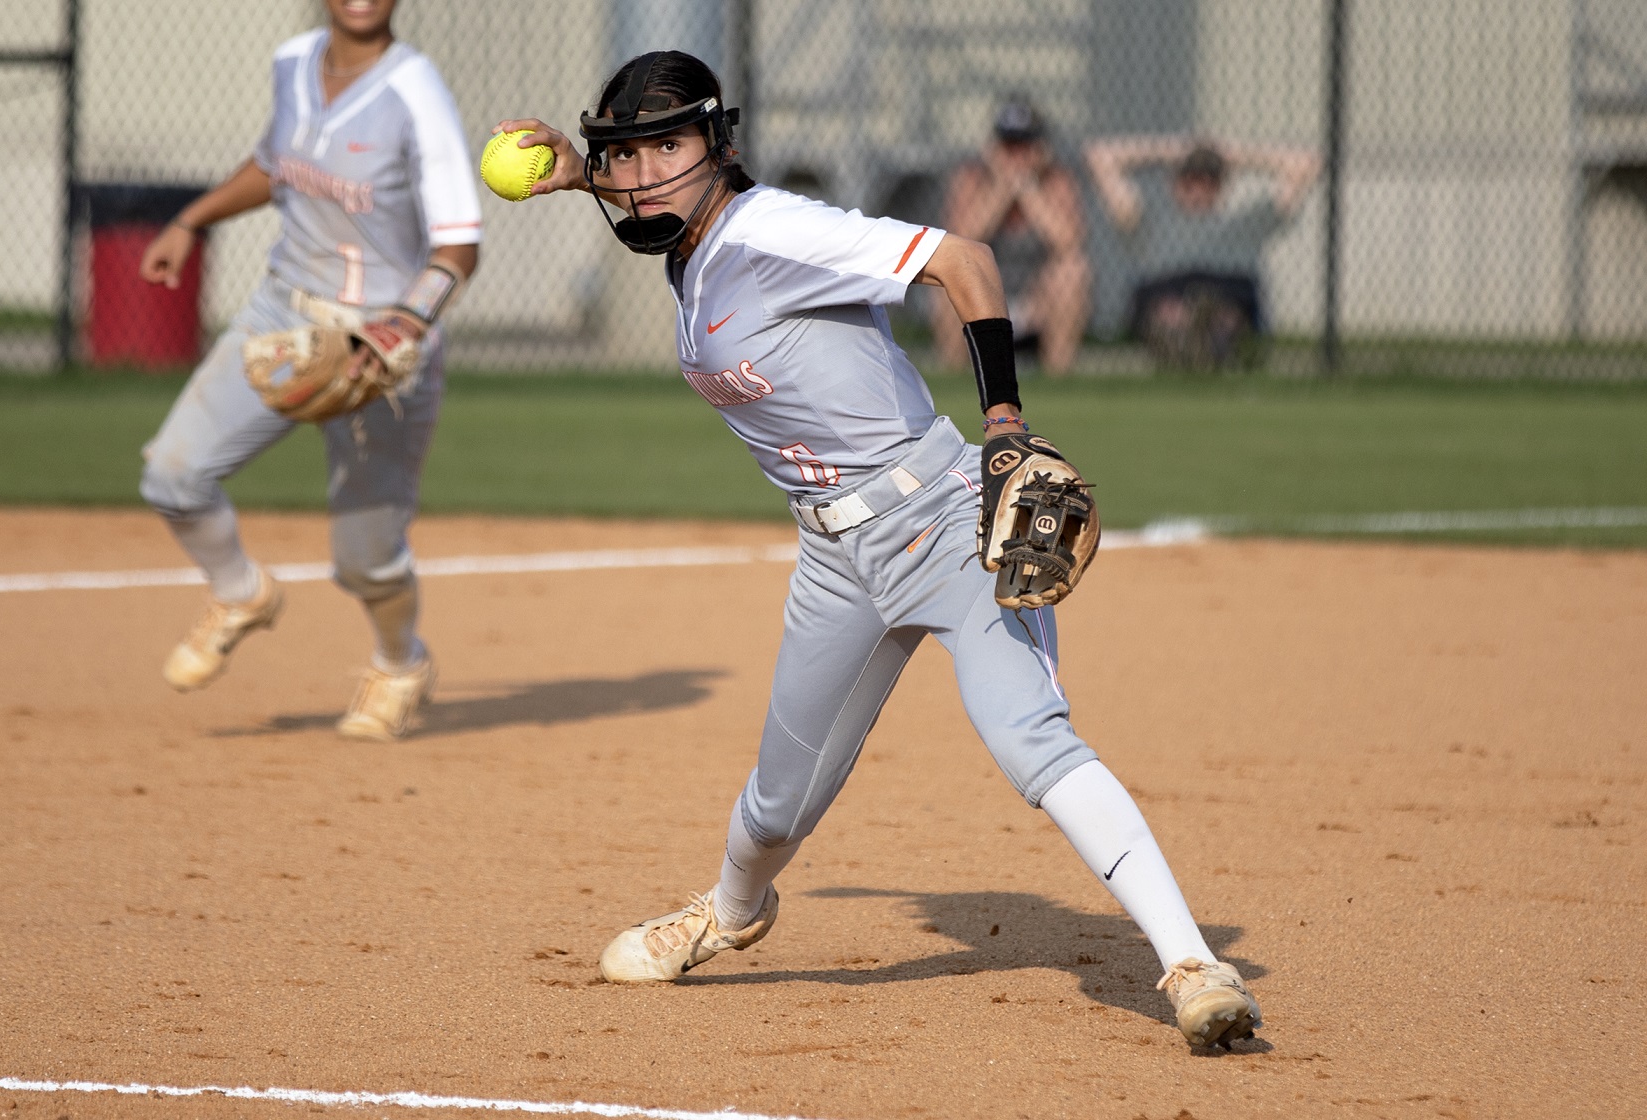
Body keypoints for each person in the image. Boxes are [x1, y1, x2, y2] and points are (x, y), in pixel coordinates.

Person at [496, 50, 1261, 1048]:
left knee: (1030, 739)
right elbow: (654, 195)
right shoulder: (691, 239)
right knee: (777, 806)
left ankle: (1193, 965)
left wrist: (1003, 425)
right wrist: (576, 176)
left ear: (718, 146)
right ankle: (729, 912)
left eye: (665, 147)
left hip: (943, 522)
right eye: (623, 155)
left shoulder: (775, 229)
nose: (640, 174)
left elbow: (966, 261)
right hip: (835, 562)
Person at [137, 0, 481, 740]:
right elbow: (275, 166)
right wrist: (191, 220)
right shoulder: (292, 63)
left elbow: (459, 246)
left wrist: (403, 324)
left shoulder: (415, 92)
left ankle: (400, 664)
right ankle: (241, 592)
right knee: (172, 475)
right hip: (280, 314)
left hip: (379, 345)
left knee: (366, 559)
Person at [1084, 134, 1319, 367]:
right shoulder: (1146, 221)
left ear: (1222, 186)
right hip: (1168, 295)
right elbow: (1100, 157)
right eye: (1190, 181)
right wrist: (1173, 151)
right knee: (1171, 314)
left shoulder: (1242, 224)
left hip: (1225, 292)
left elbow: (1307, 163)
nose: (1198, 190)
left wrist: (1228, 155)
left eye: (1209, 182)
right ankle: (1191, 339)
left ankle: (1206, 337)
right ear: (1173, 183)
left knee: (1224, 314)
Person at [932, 97, 1089, 376]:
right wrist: (1002, 189)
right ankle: (953, 375)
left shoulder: (1056, 180)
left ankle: (1059, 376)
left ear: (1042, 148)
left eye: (1025, 145)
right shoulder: (971, 178)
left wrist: (1027, 189)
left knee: (1073, 270)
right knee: (945, 276)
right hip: (980, 296)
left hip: (1037, 301)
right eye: (1009, 145)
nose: (1017, 154)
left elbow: (1068, 242)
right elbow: (960, 240)